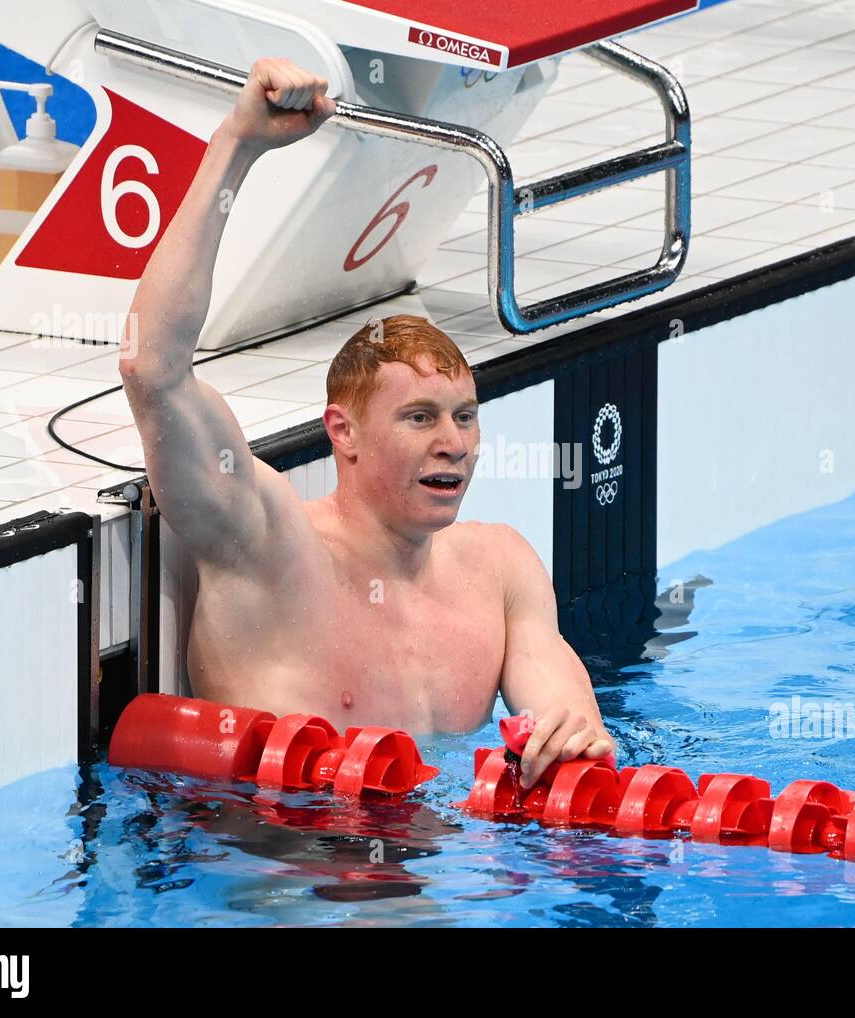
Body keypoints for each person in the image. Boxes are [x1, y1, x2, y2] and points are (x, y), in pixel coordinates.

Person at [118, 57, 614, 788]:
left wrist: (575, 735)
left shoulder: (498, 570)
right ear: (342, 432)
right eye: (419, 417)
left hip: (449, 888)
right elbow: (151, 370)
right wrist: (237, 144)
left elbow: (573, 736)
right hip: (286, 884)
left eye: (465, 417)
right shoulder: (266, 544)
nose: (454, 443)